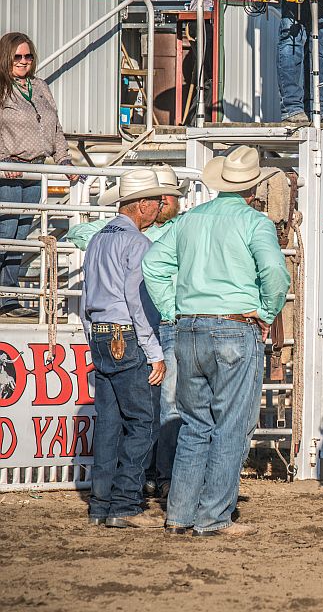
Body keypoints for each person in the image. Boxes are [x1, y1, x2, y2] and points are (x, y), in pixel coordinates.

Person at [143, 145, 290, 537]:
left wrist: (172, 309)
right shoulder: (255, 222)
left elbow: (153, 264)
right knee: (230, 425)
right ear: (252, 188)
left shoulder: (189, 220)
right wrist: (267, 312)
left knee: (194, 424)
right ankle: (213, 517)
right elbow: (275, 272)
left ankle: (179, 514)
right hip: (233, 327)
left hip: (189, 327)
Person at [67, 164, 189, 499]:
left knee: (110, 419)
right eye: (157, 200)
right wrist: (153, 353)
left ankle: (104, 498)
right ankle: (126, 499)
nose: (161, 206)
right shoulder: (137, 242)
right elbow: (138, 303)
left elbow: (90, 292)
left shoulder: (101, 239)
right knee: (144, 419)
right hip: (135, 332)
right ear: (146, 204)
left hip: (106, 331)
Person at [0, 32, 78, 317]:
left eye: (28, 56)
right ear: (6, 57)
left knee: (20, 235)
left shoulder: (40, 86)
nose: (23, 62)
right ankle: (3, 298)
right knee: (5, 232)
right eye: (17, 56)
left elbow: (54, 126)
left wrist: (64, 159)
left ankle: (8, 299)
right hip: (7, 170)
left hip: (36, 169)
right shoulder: (1, 87)